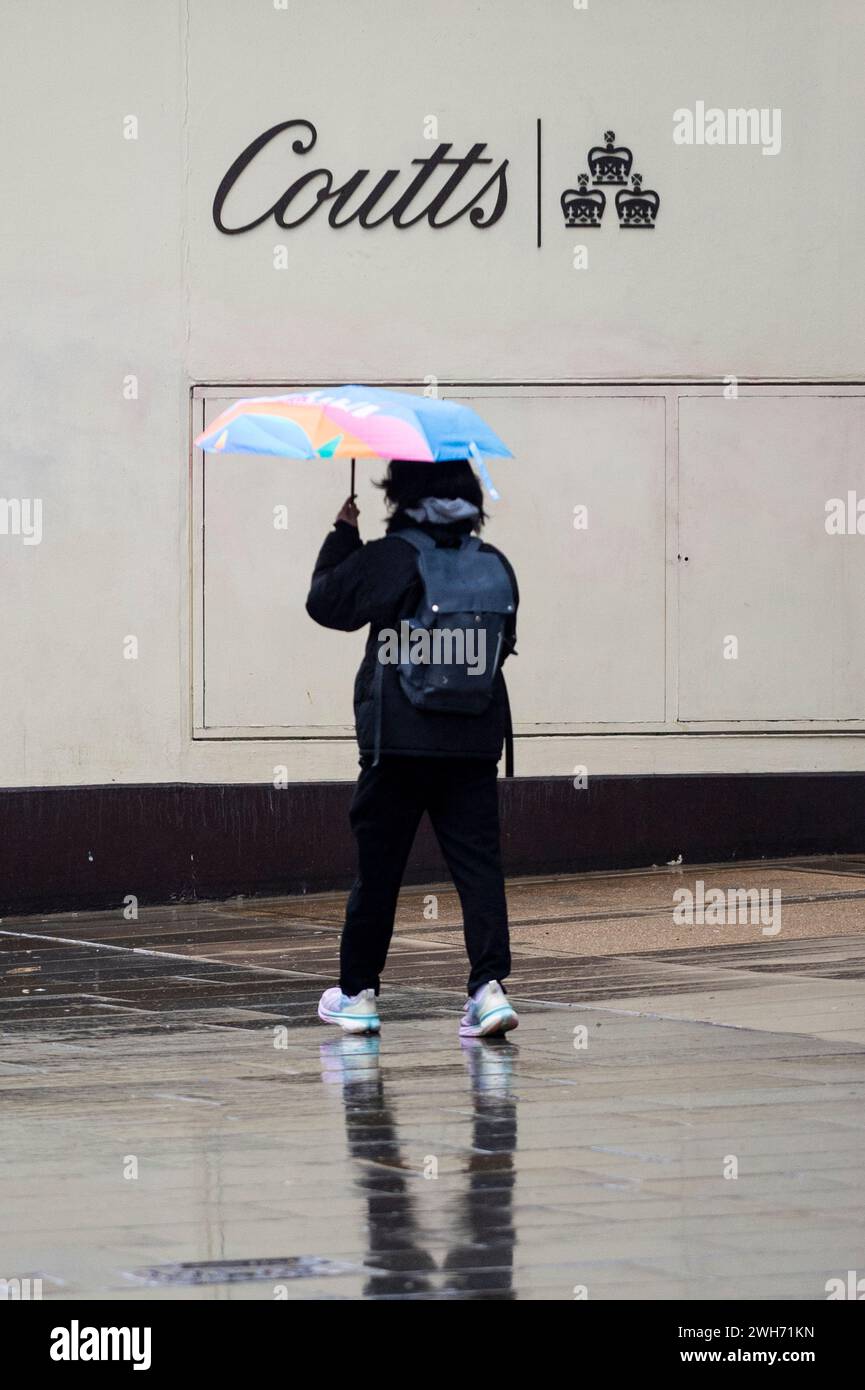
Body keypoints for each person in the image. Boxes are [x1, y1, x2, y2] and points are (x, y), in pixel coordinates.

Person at [306, 458, 519, 1038]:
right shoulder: (493, 564)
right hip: (473, 745)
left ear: (401, 494)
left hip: (397, 746)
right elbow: (503, 645)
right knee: (478, 870)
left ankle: (358, 993)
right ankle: (488, 989)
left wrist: (343, 535)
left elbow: (326, 603)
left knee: (378, 872)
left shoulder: (394, 556)